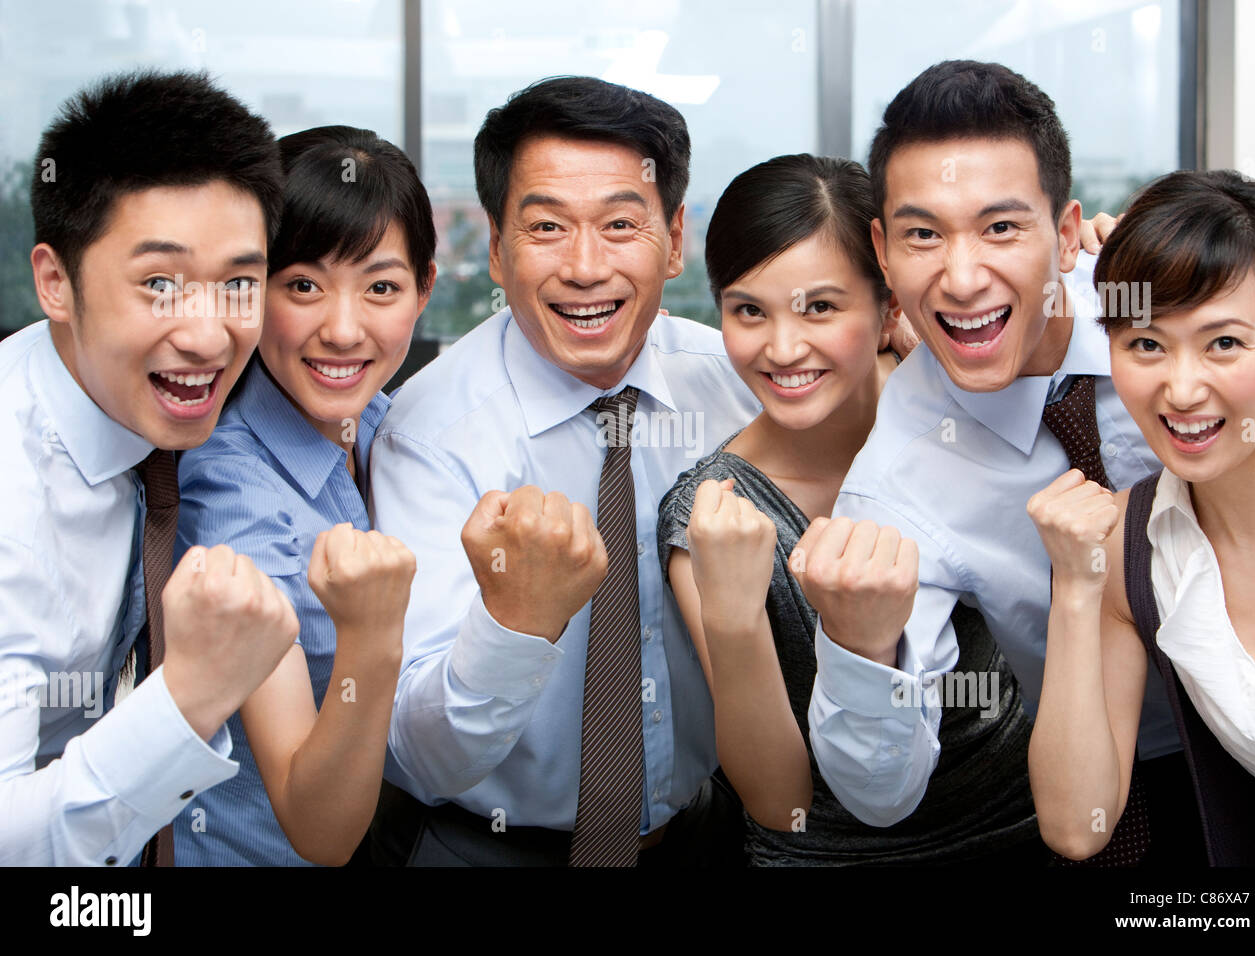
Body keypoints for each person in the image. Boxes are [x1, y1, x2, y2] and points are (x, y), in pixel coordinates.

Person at [799, 59, 1191, 864]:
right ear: (881, 249)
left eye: (1002, 227)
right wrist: (860, 649)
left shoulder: (1156, 306)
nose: (964, 276)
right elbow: (881, 796)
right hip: (1115, 792)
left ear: (1068, 230)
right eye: (922, 234)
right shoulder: (897, 478)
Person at [366, 76, 764, 866]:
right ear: (497, 244)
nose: (585, 267)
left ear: (676, 237)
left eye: (621, 224)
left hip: (706, 841)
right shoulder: (432, 434)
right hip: (486, 849)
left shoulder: (737, 384)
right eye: (547, 226)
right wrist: (516, 623)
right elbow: (419, 755)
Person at [656, 154, 1042, 865]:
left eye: (821, 308)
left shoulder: (966, 408)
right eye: (748, 311)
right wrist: (734, 615)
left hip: (1037, 833)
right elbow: (780, 804)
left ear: (891, 303)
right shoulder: (713, 515)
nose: (782, 347)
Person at [1, 70, 299, 866]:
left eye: (240, 281)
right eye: (159, 284)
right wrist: (190, 694)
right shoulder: (12, 511)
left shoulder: (141, 394)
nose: (207, 335)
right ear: (55, 282)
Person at [171, 126, 432, 866]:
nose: (343, 331)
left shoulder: (386, 419)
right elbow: (317, 830)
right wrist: (371, 637)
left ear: (425, 291)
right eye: (304, 286)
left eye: (381, 287)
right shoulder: (227, 489)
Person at [1028, 169, 1255, 865]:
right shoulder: (1128, 546)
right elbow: (1076, 825)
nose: (1180, 389)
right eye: (1146, 344)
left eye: (1224, 344)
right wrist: (1076, 589)